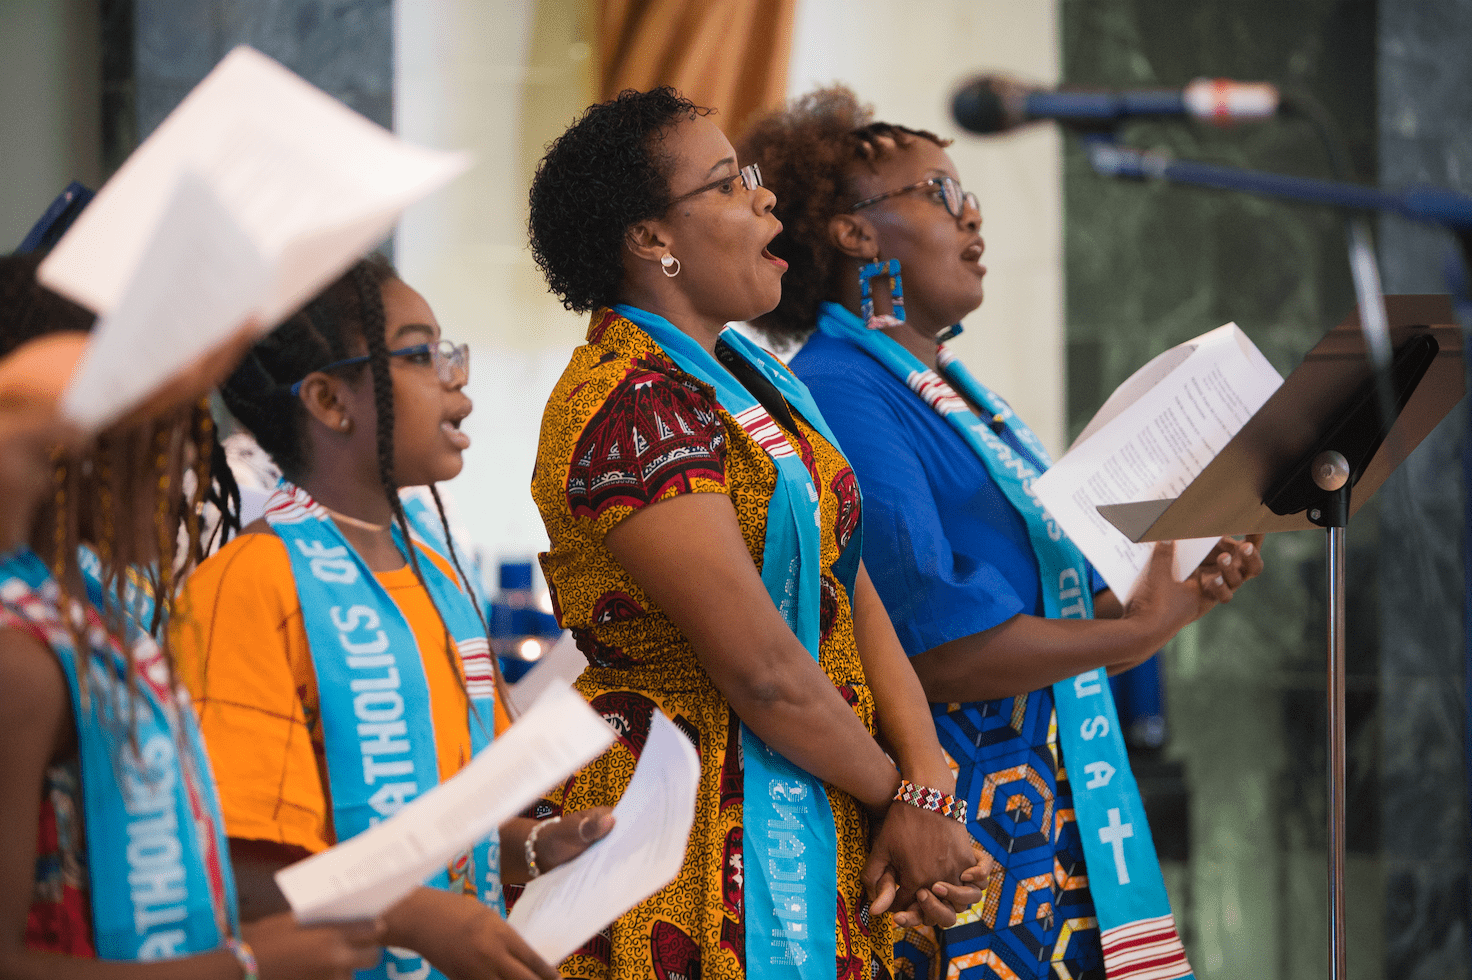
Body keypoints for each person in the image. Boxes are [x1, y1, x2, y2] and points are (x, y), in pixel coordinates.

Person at [741, 87, 1265, 980]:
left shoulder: (952, 390)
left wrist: (1161, 591)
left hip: (1040, 804)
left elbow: (1044, 621)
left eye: (967, 191)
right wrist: (1141, 628)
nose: (970, 211)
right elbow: (930, 651)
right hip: (961, 820)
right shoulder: (844, 386)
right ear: (854, 234)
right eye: (937, 192)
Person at [525, 87, 989, 980]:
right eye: (730, 183)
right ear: (652, 238)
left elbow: (844, 587)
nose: (766, 198)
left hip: (830, 786)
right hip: (695, 830)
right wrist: (901, 795)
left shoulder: (751, 377)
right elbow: (765, 674)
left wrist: (926, 784)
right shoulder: (626, 403)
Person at [172, 255, 610, 980]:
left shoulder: (433, 569)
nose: (454, 374)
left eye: (448, 349)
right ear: (328, 400)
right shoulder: (246, 584)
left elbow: (447, 823)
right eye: (418, 353)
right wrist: (404, 917)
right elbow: (237, 871)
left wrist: (533, 846)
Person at [0, 254, 384, 979]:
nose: (186, 471)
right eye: (158, 432)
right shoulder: (22, 659)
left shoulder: (92, 616)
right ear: (64, 436)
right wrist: (240, 966)